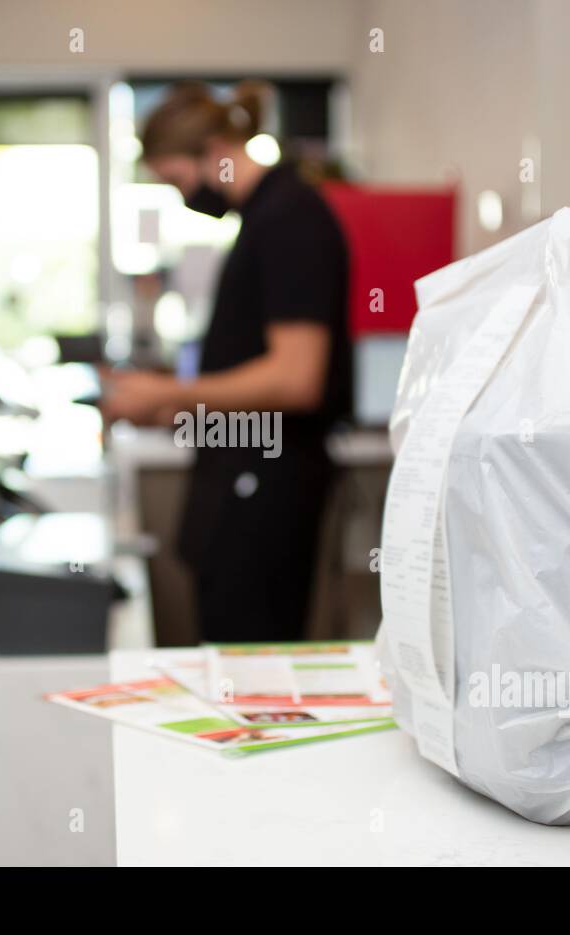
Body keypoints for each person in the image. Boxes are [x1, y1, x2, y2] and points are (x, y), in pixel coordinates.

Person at [102, 82, 352, 644]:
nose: (181, 195)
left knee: (252, 664)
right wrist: (165, 402)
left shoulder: (291, 219)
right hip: (240, 483)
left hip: (266, 492)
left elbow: (296, 379)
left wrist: (167, 396)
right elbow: (249, 377)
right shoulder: (261, 218)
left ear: (216, 150)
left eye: (175, 180)